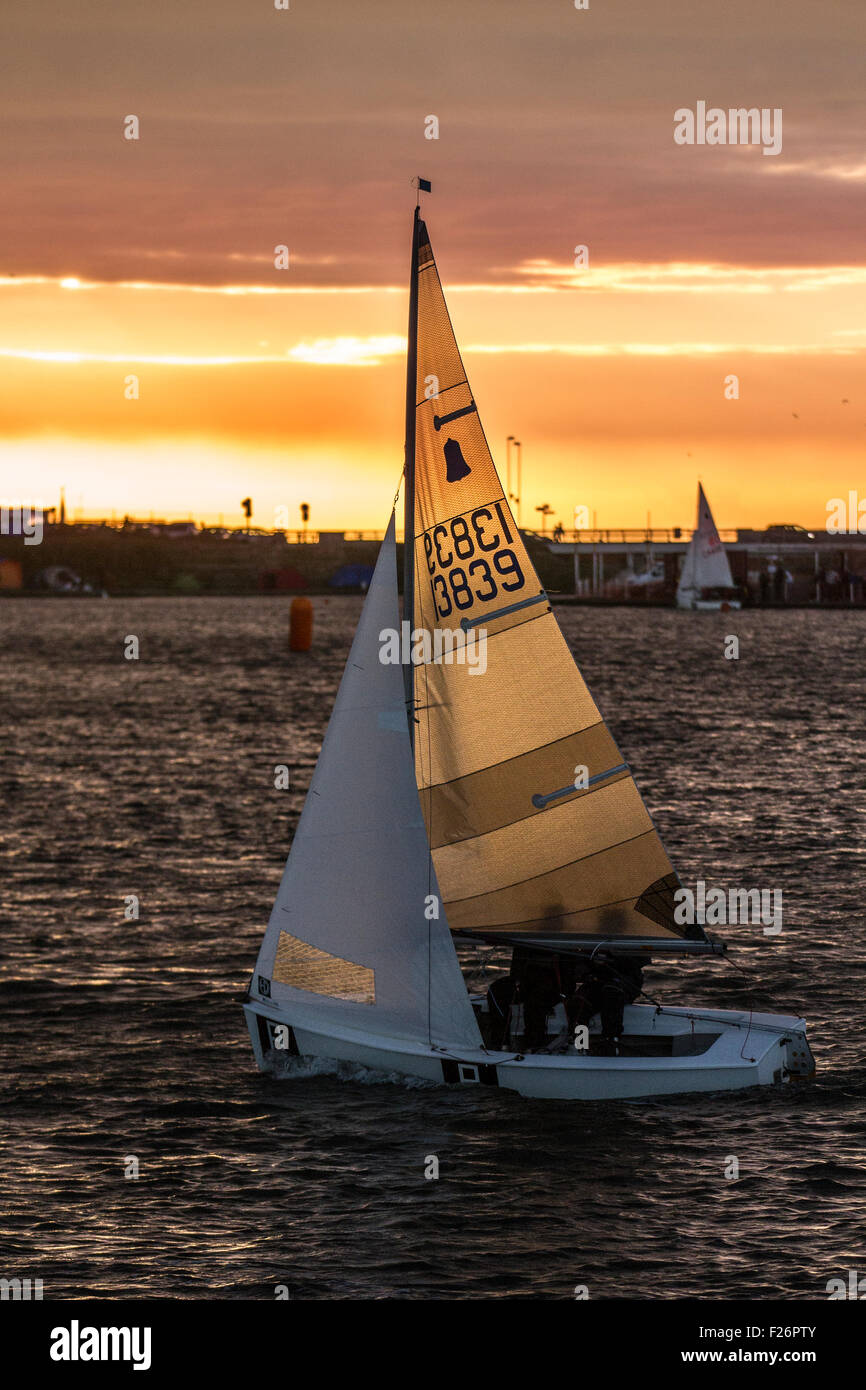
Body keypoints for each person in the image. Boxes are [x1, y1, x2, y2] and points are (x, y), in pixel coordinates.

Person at [566, 952, 644, 1052]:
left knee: (612, 994)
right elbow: (580, 963)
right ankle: (580, 1044)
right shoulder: (592, 942)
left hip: (625, 981)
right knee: (579, 1001)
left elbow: (639, 961)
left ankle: (611, 1042)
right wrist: (592, 963)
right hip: (597, 980)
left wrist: (612, 959)